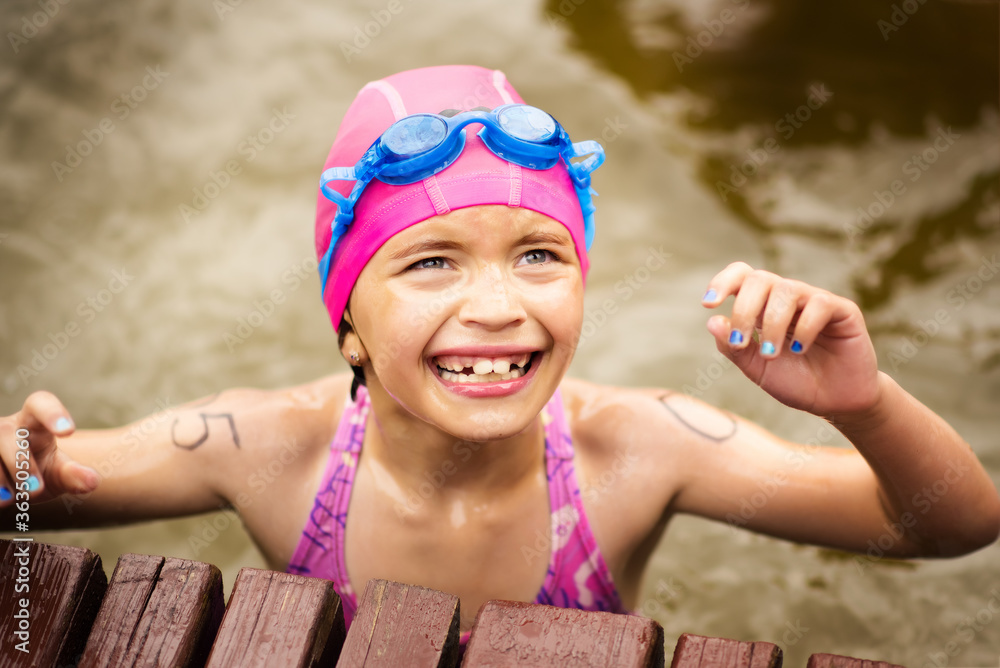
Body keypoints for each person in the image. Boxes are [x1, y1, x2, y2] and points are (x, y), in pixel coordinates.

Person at [2, 66, 998, 644]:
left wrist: (860, 404)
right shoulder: (267, 448)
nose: (497, 304)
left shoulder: (639, 447)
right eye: (431, 261)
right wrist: (15, 468)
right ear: (345, 319)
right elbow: (37, 493)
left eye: (537, 254)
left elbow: (948, 528)